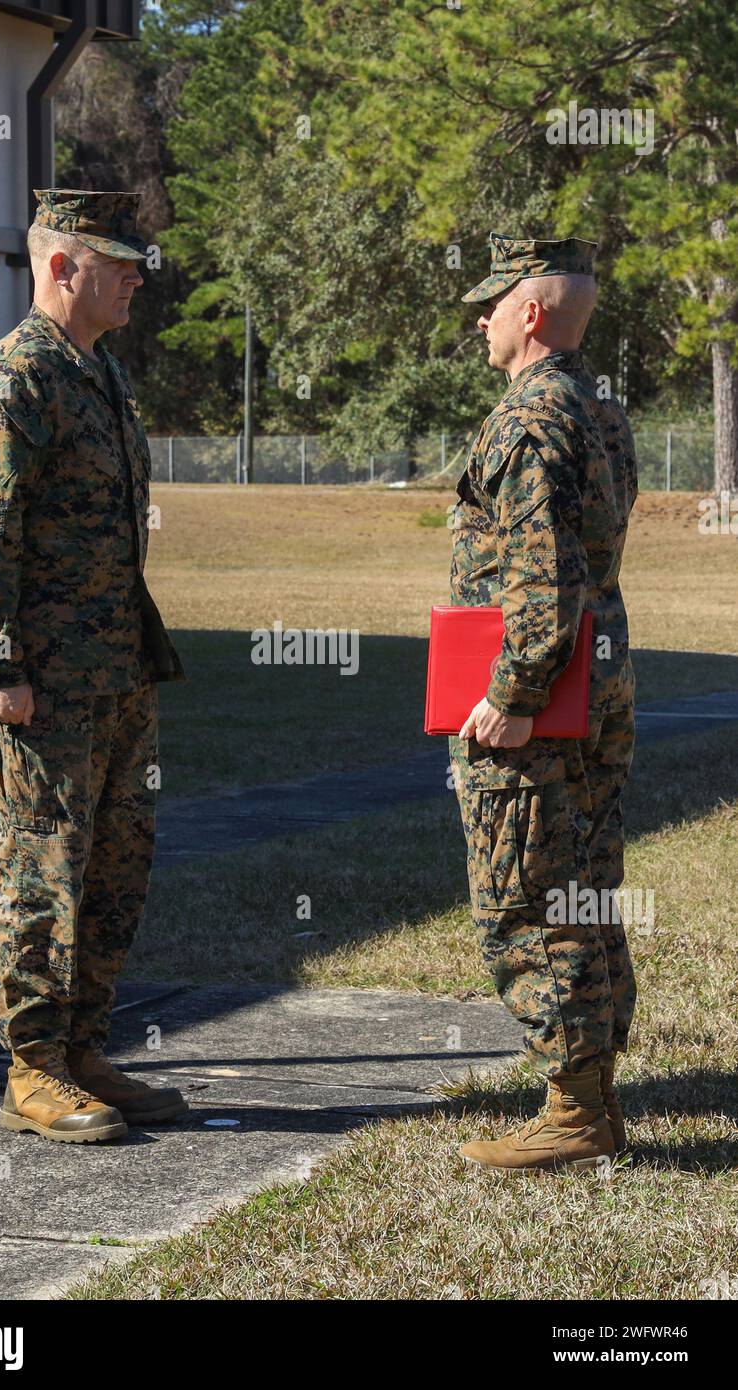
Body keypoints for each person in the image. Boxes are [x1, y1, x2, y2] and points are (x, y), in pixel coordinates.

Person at [0, 189, 187, 1143]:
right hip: (41, 679)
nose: (133, 277)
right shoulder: (15, 379)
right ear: (60, 265)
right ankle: (33, 1067)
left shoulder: (98, 373)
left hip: (115, 670)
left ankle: (84, 1045)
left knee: (117, 865)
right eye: (115, 261)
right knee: (44, 865)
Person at [448, 233, 638, 1171]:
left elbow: (543, 571)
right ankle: (594, 1100)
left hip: (541, 697)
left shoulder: (527, 419)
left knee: (527, 894)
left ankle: (572, 1112)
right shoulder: (602, 409)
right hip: (599, 684)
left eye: (492, 304)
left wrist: (514, 692)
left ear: (531, 313)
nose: (479, 321)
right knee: (587, 883)